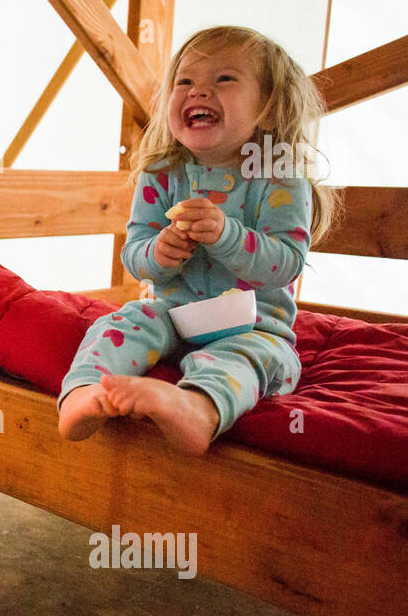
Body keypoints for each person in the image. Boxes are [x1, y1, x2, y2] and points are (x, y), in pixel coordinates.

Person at [56, 26, 338, 454]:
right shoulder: (162, 172)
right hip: (174, 314)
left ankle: (197, 409)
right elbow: (135, 255)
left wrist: (228, 235)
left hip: (254, 324)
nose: (199, 91)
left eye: (224, 79)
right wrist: (159, 253)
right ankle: (83, 394)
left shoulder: (280, 177)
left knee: (251, 357)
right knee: (121, 322)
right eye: (185, 81)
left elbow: (286, 263)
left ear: (270, 105)